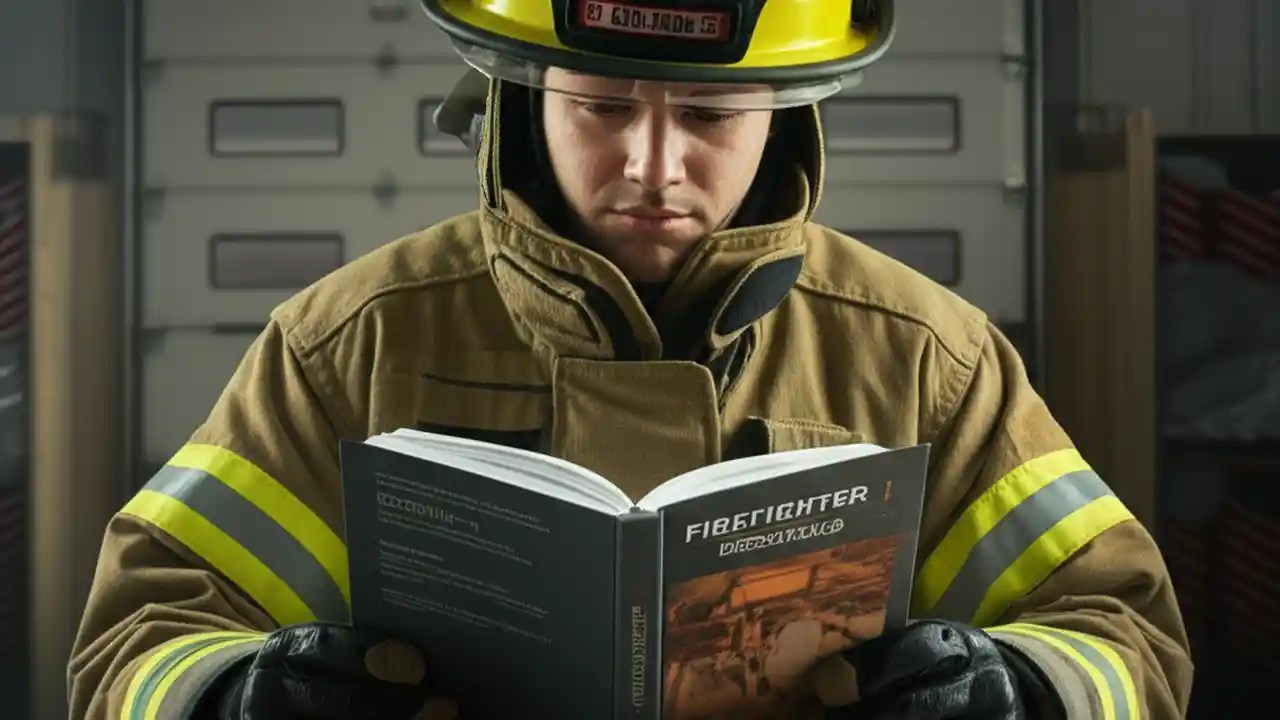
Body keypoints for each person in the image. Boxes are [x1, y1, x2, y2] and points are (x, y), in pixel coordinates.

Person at [69, 1, 1193, 718]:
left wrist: (1021, 692)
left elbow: (1123, 635)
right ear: (516, 97)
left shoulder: (925, 357)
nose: (652, 163)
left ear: (786, 113)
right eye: (602, 103)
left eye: (707, 111)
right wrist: (232, 696)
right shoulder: (347, 342)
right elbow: (136, 640)